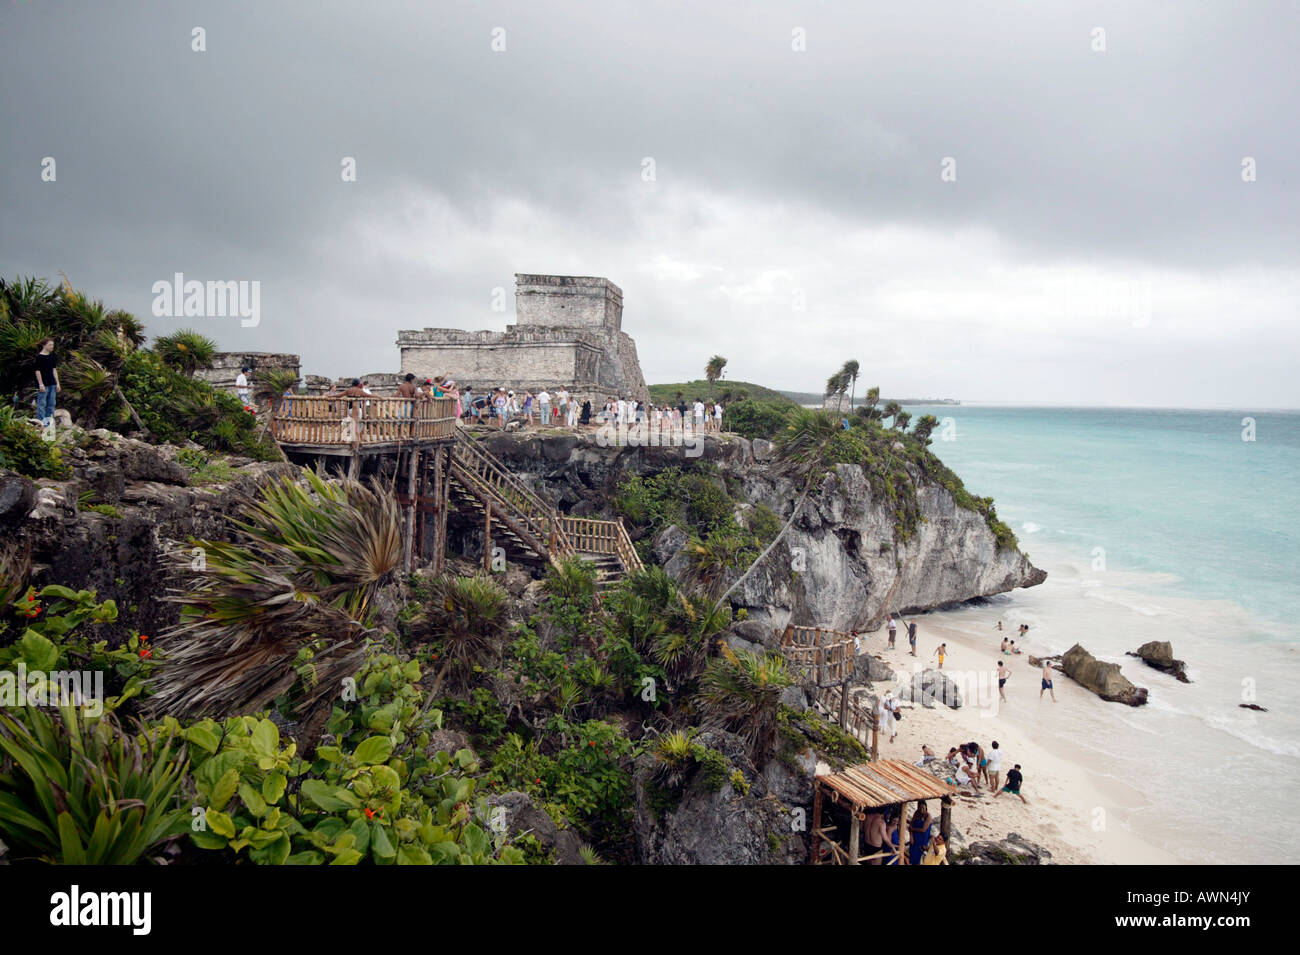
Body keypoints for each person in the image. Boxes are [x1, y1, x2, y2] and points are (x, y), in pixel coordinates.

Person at [33, 338, 60, 427]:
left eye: (52, 345)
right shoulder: (39, 357)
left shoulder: (52, 357)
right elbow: (37, 371)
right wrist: (41, 384)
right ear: (44, 345)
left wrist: (57, 383)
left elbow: (54, 370)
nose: (52, 347)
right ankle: (41, 422)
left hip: (52, 383)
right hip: (43, 384)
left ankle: (49, 423)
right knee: (42, 403)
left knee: (51, 403)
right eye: (50, 345)